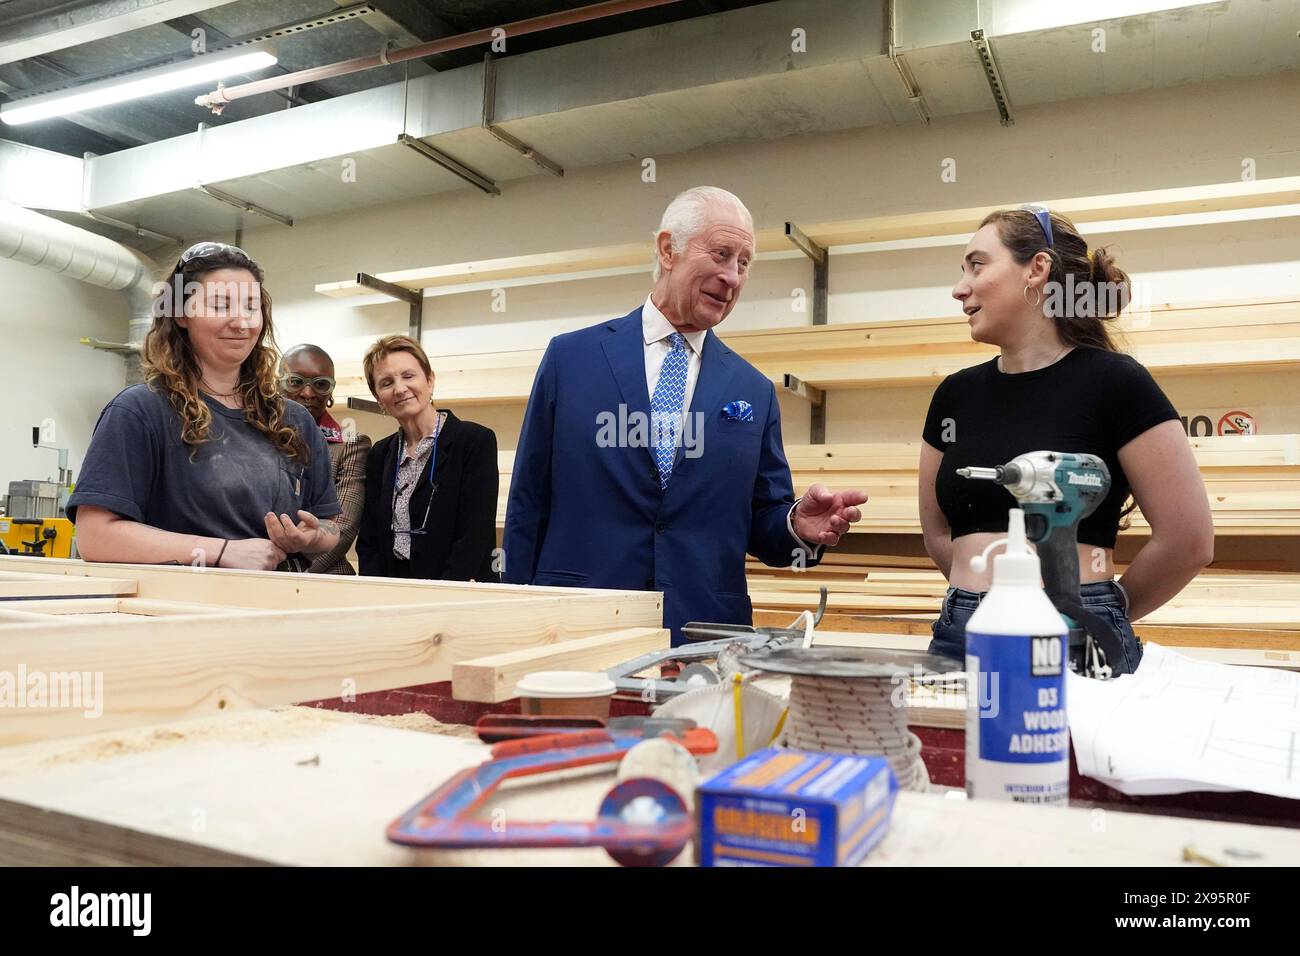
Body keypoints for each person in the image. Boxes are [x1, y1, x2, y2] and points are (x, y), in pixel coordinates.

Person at [503, 185, 868, 645]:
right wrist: (514, 613)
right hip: (578, 625)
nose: (733, 277)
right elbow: (527, 503)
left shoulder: (752, 390)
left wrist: (796, 525)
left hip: (705, 634)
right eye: (720, 254)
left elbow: (761, 516)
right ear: (667, 249)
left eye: (744, 263)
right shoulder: (570, 360)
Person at [919, 205, 1214, 672]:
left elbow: (1188, 540)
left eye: (977, 265)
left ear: (1036, 269)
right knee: (948, 747)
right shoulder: (955, 395)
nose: (960, 289)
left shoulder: (1116, 383)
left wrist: (1097, 609)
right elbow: (938, 531)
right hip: (963, 627)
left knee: (1068, 748)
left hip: (1076, 628)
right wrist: (985, 598)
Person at [69, 242, 341, 569]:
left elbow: (329, 525)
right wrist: (221, 551)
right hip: (181, 611)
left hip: (275, 609)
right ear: (182, 314)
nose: (241, 323)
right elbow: (95, 537)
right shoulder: (139, 411)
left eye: (251, 307)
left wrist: (311, 537)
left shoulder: (293, 420)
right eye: (220, 306)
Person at [355, 334, 499, 581]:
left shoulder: (474, 442)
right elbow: (370, 539)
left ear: (430, 381)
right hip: (393, 592)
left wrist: (439, 597)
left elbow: (474, 535)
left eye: (409, 376)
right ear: (379, 397)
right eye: (386, 383)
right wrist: (375, 591)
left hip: (456, 591)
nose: (400, 389)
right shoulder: (380, 453)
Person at [279, 344, 370, 574]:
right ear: (277, 384)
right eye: (295, 381)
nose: (308, 393)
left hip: (322, 575)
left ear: (330, 393)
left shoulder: (350, 444)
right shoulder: (254, 436)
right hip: (252, 570)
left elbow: (343, 526)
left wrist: (288, 573)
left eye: (320, 384)